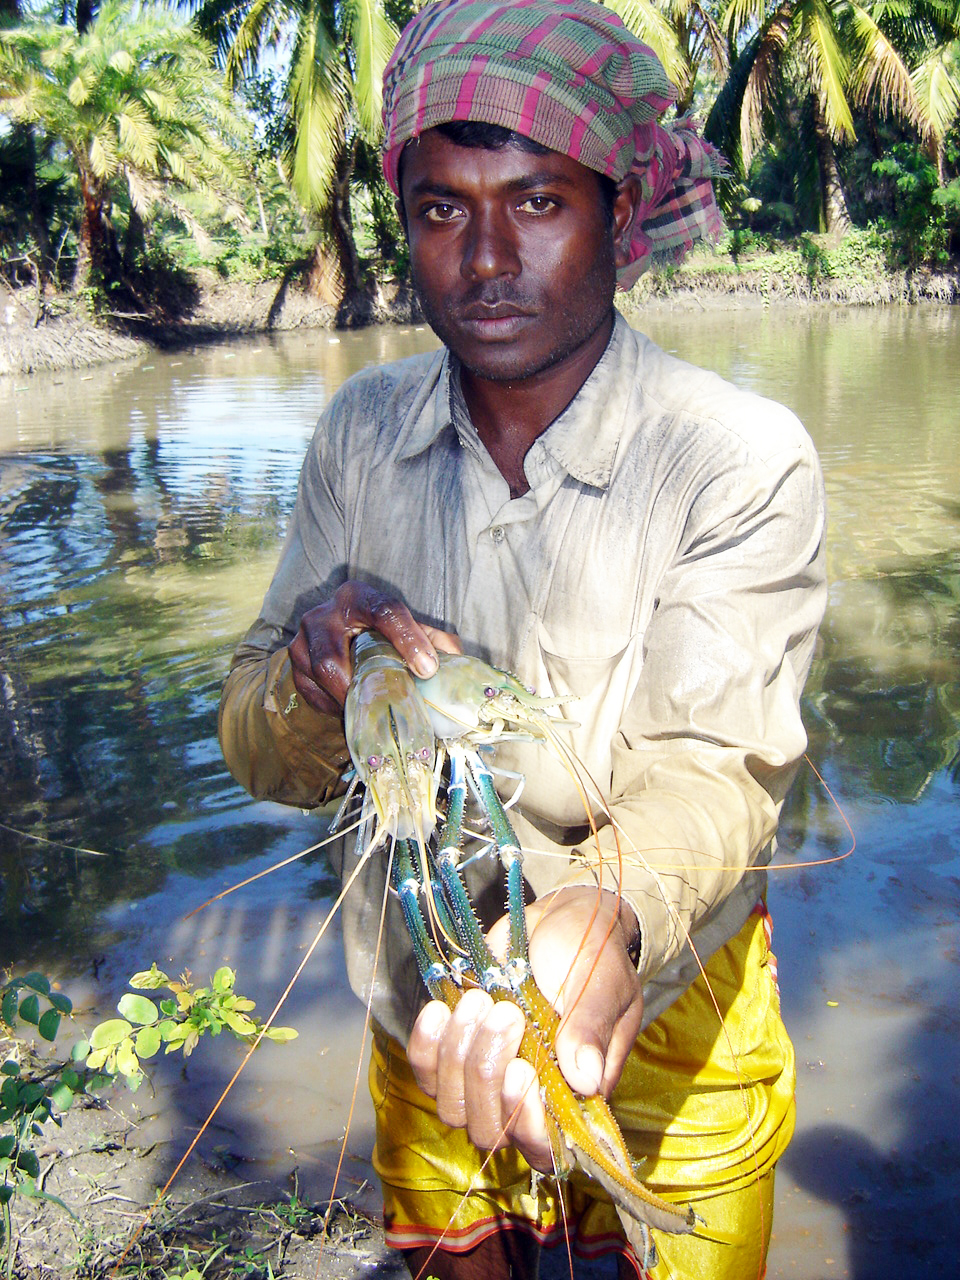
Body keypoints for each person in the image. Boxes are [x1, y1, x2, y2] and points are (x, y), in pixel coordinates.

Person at [218, 1, 826, 1276]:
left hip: (672, 1030)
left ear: (616, 209)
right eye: (442, 208)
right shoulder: (354, 436)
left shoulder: (735, 454)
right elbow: (257, 752)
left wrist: (601, 921)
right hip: (431, 1031)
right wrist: (313, 678)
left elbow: (716, 765)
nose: (485, 256)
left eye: (537, 202)